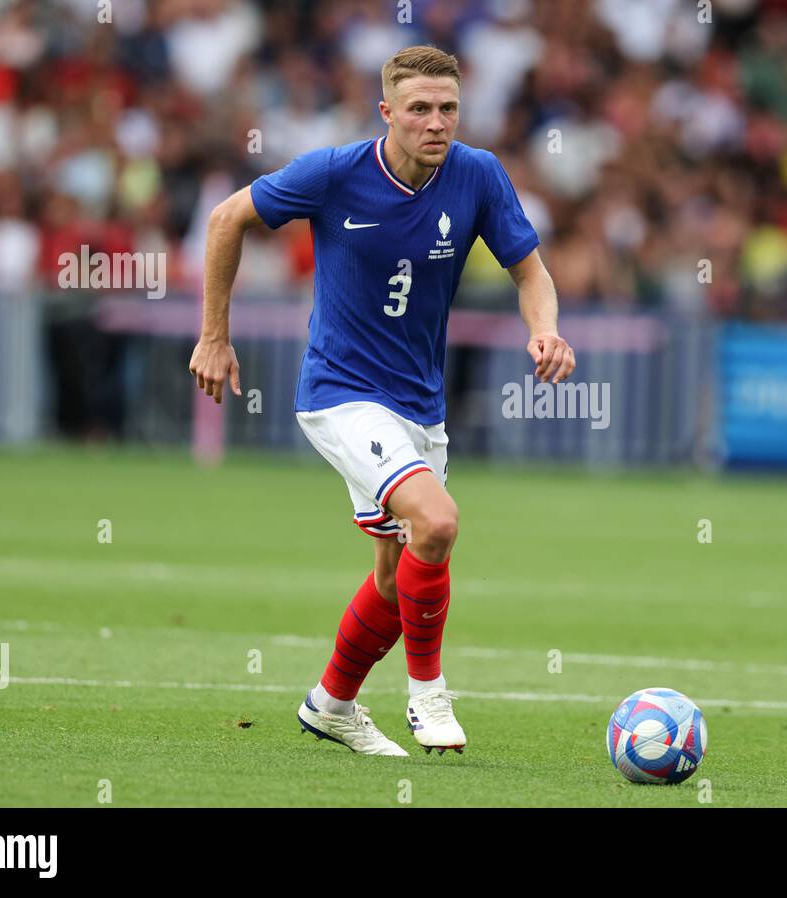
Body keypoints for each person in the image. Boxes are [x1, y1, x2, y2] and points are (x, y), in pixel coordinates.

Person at [187, 45, 575, 755]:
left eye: (449, 108)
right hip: (340, 393)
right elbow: (225, 220)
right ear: (387, 112)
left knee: (400, 579)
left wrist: (545, 330)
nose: (436, 122)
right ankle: (428, 697)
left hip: (419, 405)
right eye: (420, 109)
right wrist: (215, 335)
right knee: (438, 521)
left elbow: (532, 272)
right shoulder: (334, 173)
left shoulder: (478, 175)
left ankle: (331, 704)